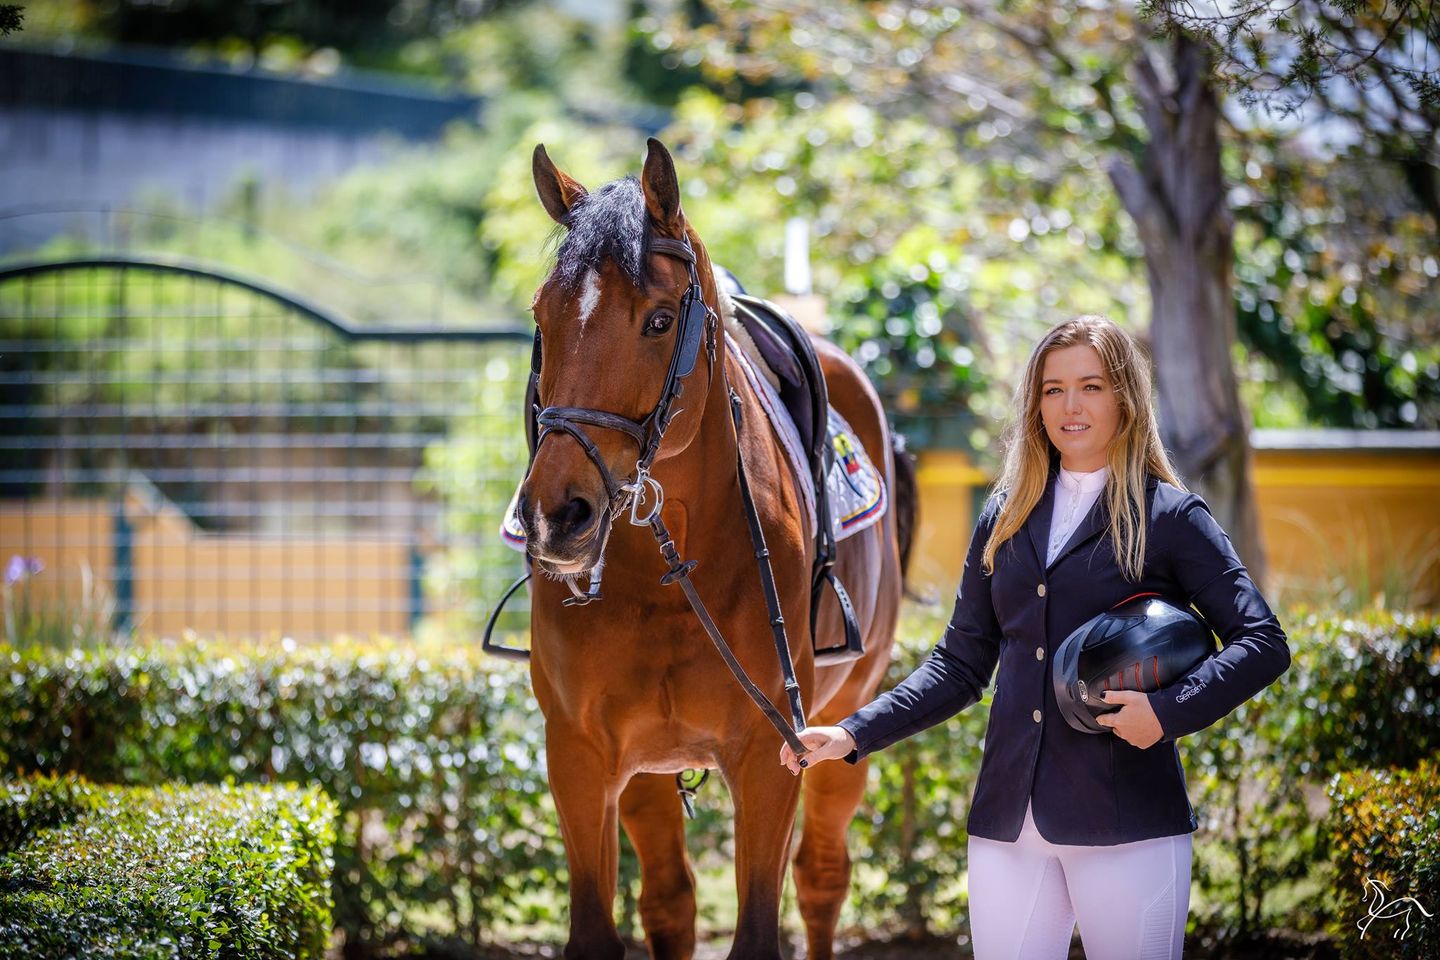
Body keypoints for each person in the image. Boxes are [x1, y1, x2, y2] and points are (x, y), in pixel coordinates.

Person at [779, 315, 1290, 960]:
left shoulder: (1171, 517)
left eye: (1091, 387)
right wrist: (851, 734)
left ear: (1126, 398)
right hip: (1007, 822)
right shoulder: (1005, 514)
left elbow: (1262, 640)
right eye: (1052, 389)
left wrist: (1166, 713)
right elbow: (960, 665)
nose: (1069, 406)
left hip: (1126, 820)